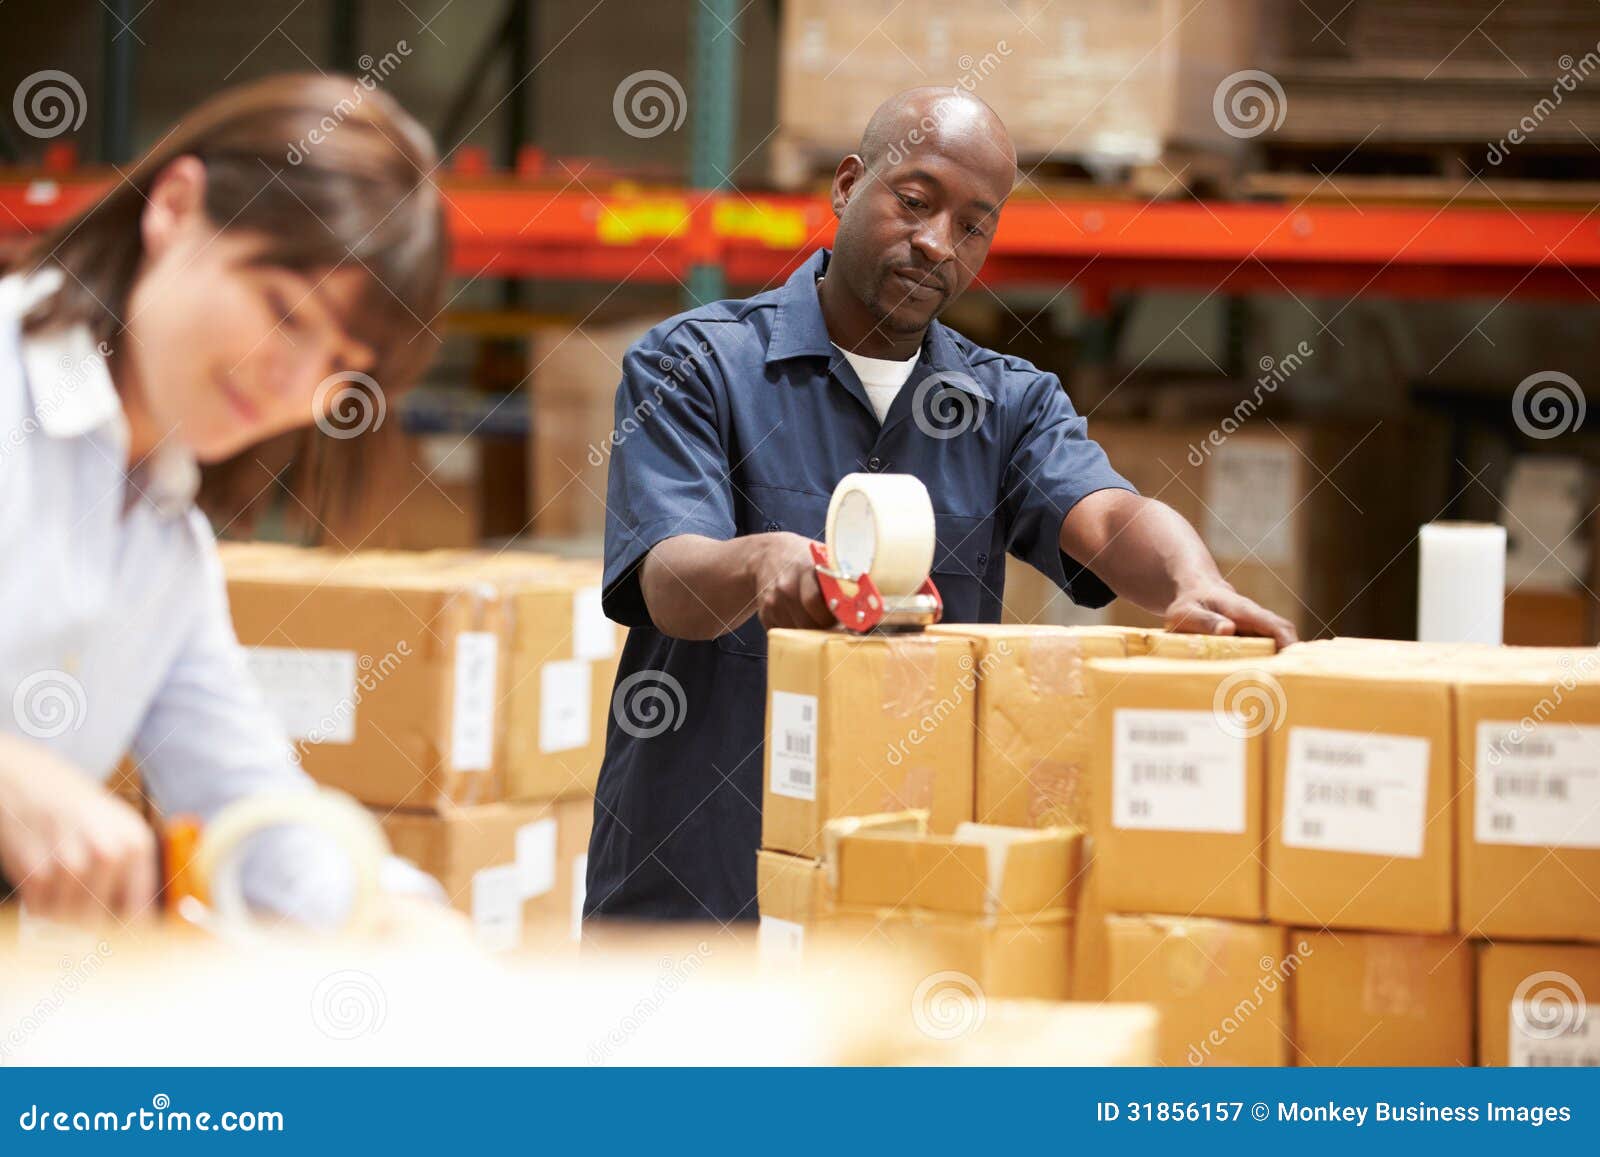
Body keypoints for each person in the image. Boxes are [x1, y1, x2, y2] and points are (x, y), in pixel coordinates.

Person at [586, 87, 1296, 924]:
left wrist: (1191, 577)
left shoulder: (1005, 403)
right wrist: (763, 561)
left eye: (973, 226)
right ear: (849, 185)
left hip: (906, 907)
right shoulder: (695, 365)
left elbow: (1106, 516)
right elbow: (669, 579)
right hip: (696, 893)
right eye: (915, 202)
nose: (937, 245)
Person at [0, 74, 449, 927]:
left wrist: (400, 922)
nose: (293, 380)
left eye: (338, 366)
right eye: (282, 311)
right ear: (174, 206)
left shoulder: (165, 539)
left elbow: (248, 801)